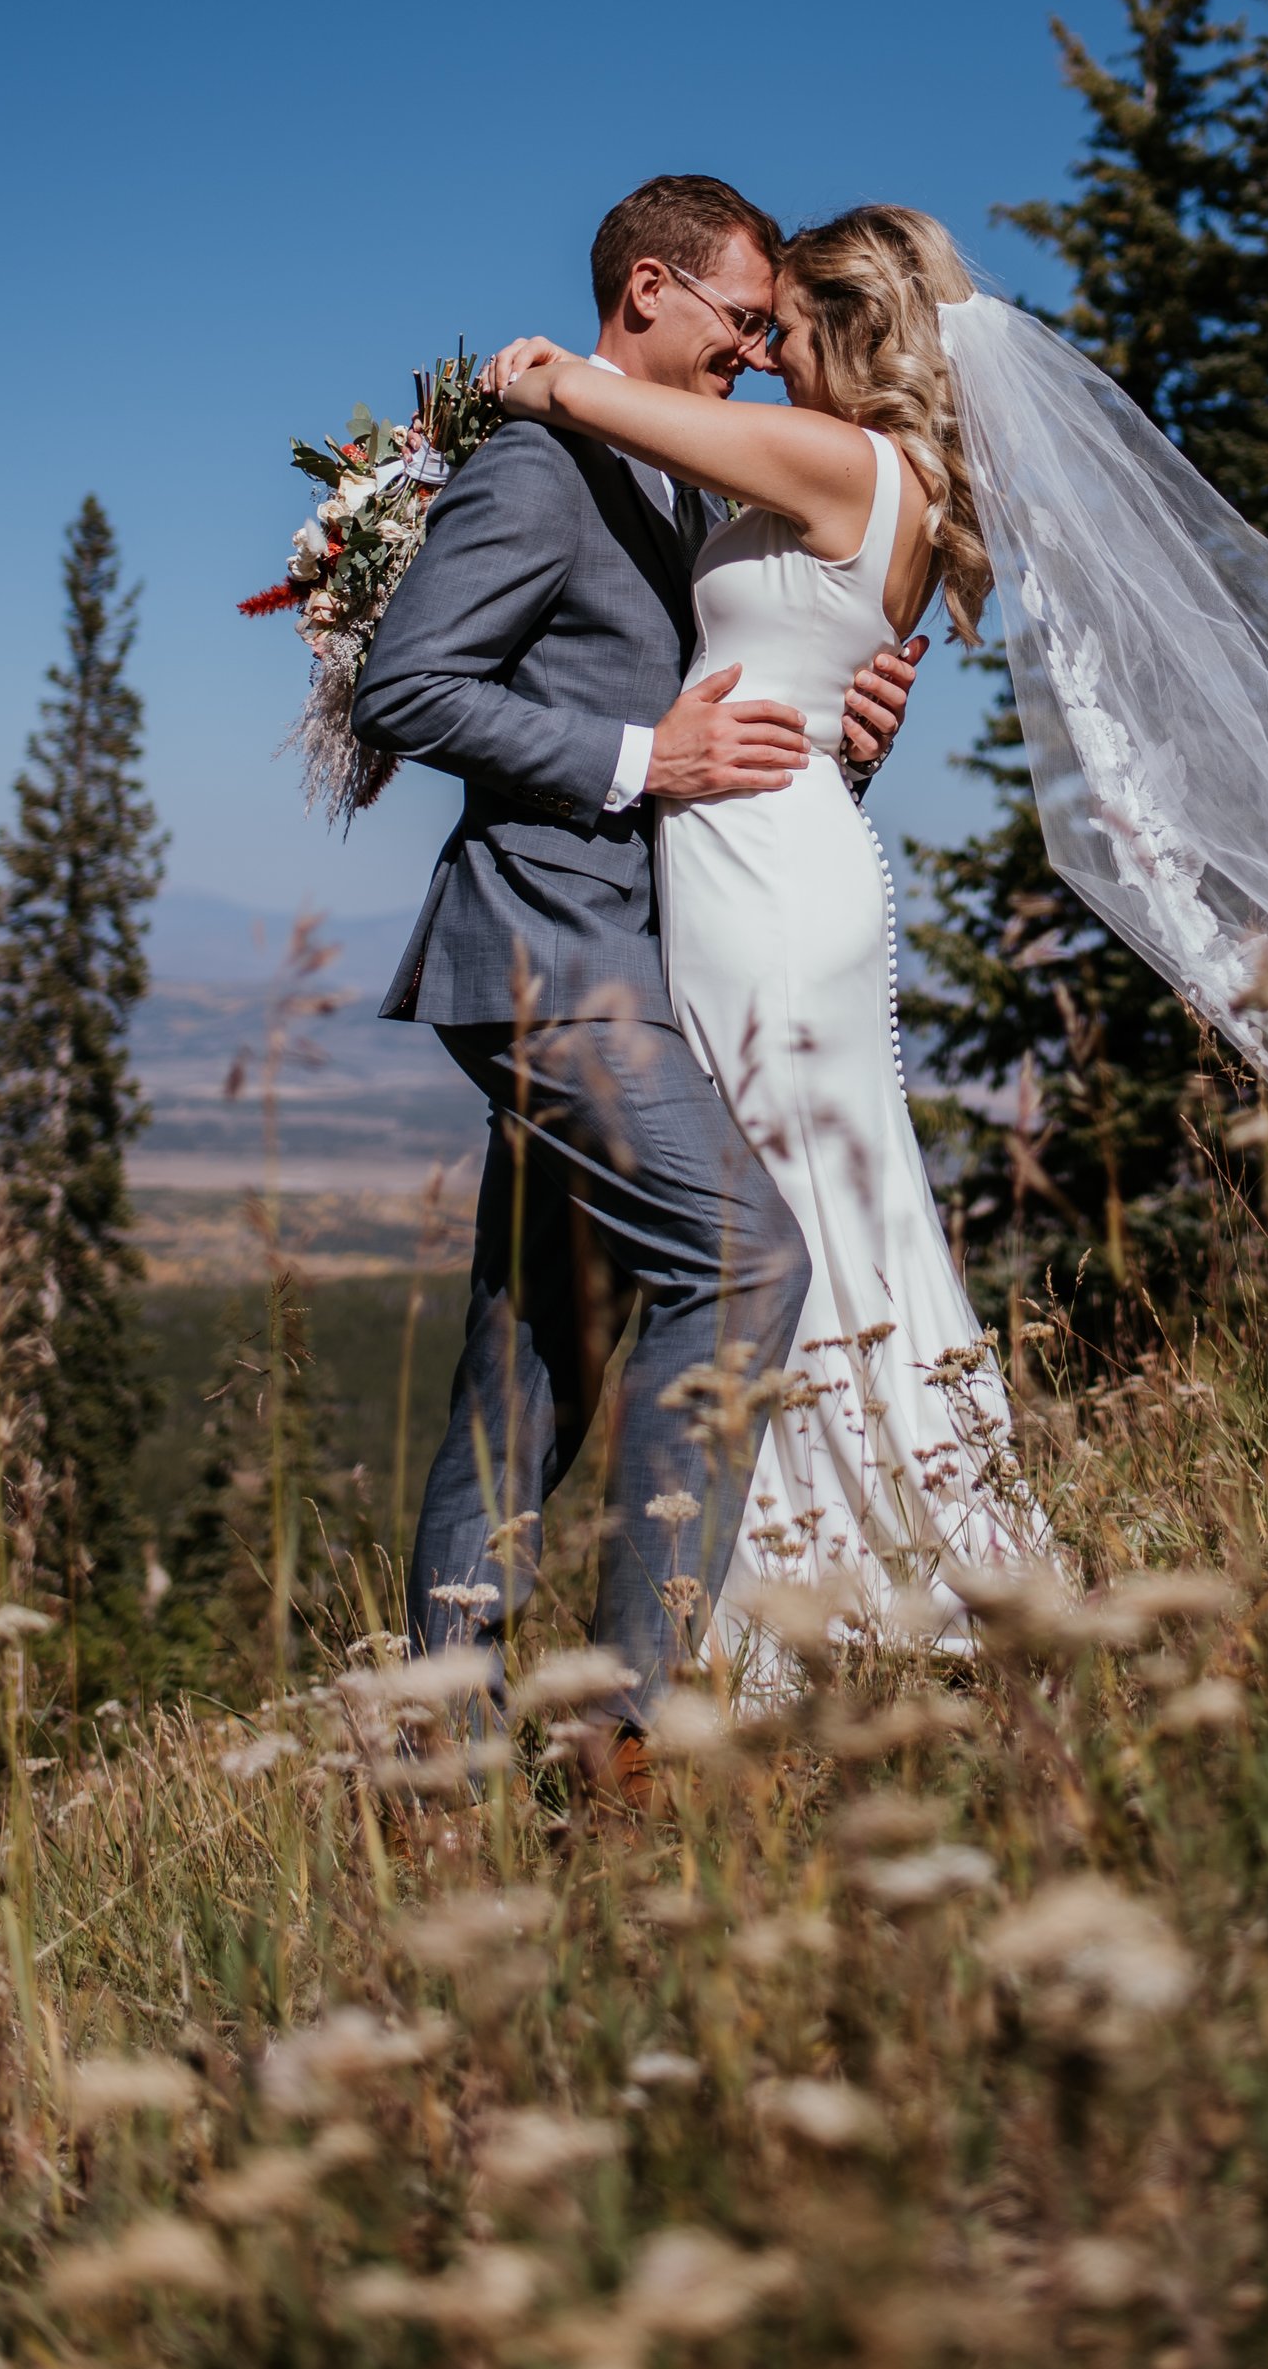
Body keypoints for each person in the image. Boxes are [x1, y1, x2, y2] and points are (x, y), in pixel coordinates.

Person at [350, 174, 923, 1732]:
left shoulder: (677, 484)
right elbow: (406, 686)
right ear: (648, 290)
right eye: (740, 322)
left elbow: (734, 723)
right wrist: (633, 758)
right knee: (748, 1257)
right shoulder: (540, 467)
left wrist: (836, 738)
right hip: (546, 947)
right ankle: (628, 1731)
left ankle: (435, 1747)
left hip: (646, 955)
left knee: (536, 1354)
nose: (751, 354)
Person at [483, 204, 1042, 1634]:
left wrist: (526, 377)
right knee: (826, 1217)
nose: (764, 354)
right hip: (779, 849)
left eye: (782, 330)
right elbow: (808, 682)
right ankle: (877, 1574)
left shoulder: (844, 456)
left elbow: (591, 393)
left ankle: (819, 1610)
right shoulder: (884, 479)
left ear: (851, 335)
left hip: (769, 887)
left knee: (775, 1232)